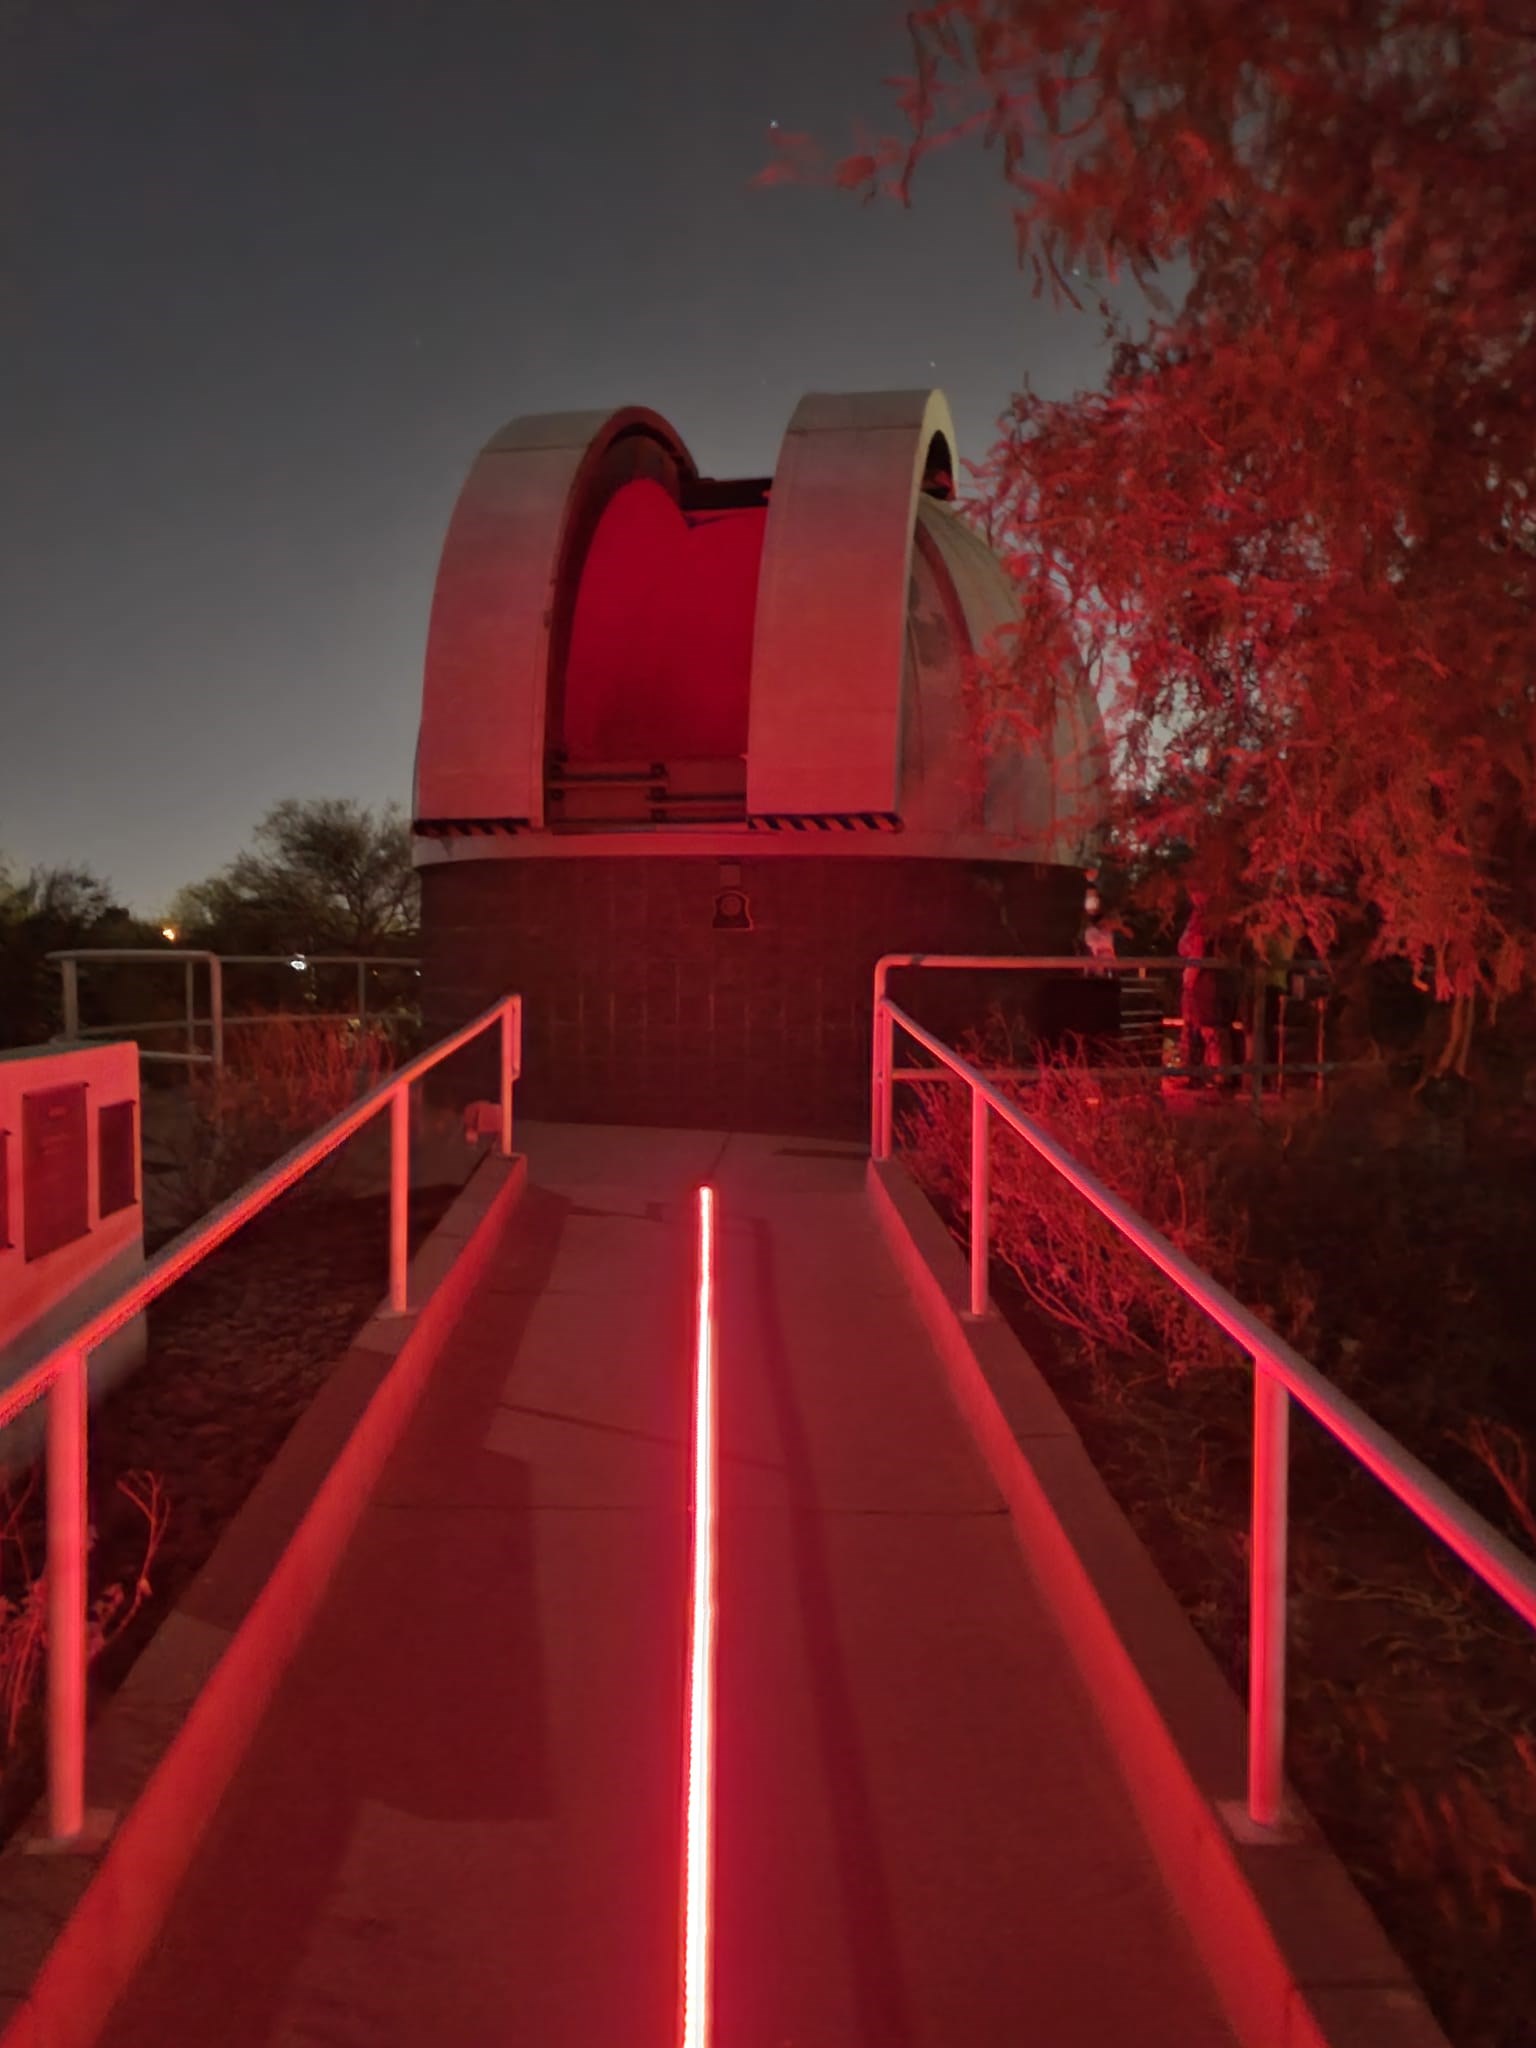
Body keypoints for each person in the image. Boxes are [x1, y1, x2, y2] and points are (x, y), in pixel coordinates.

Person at [1177, 891, 1235, 1088]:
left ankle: (1216, 1076)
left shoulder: (1207, 920)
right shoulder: (1200, 917)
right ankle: (1206, 1074)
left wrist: (1190, 980)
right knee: (1200, 1028)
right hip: (1201, 979)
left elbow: (1194, 948)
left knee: (1210, 1028)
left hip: (1203, 980)